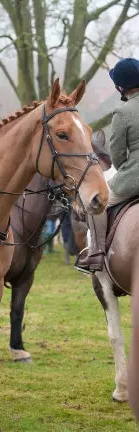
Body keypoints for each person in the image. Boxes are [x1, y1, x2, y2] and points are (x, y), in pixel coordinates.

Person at [75, 57, 139, 273]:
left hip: (134, 178)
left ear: (121, 86)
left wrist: (125, 169)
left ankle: (96, 253)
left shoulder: (122, 112)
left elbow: (118, 155)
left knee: (97, 201)